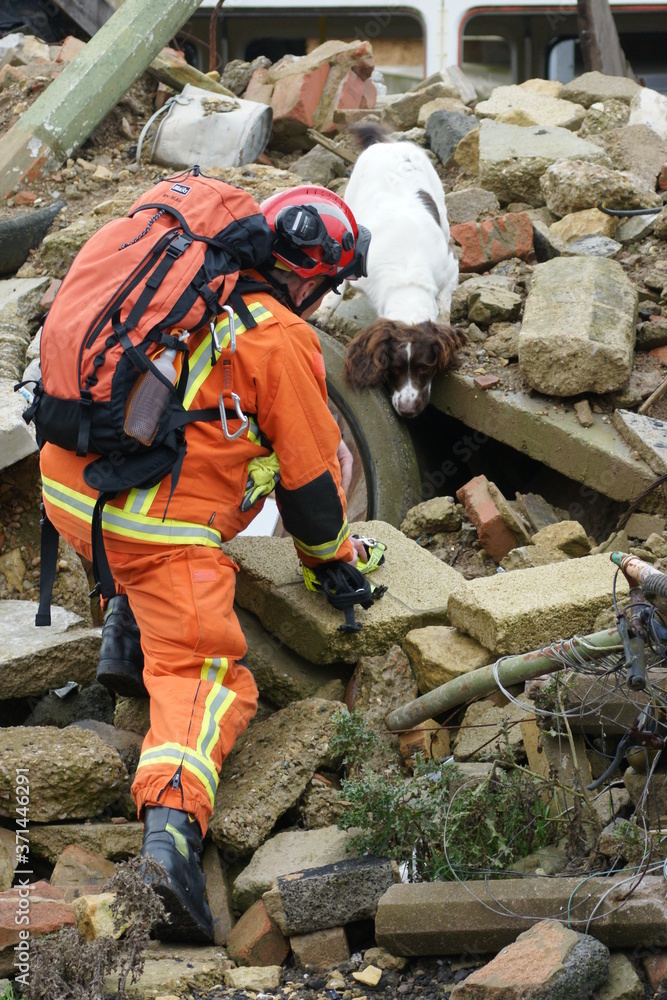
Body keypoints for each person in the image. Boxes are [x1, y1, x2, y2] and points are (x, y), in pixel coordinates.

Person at [38, 185, 371, 943]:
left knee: (164, 519)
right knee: (204, 677)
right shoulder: (279, 336)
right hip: (151, 530)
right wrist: (331, 561)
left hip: (66, 491)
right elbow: (311, 484)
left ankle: (126, 635)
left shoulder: (174, 289)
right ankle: (170, 848)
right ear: (311, 280)